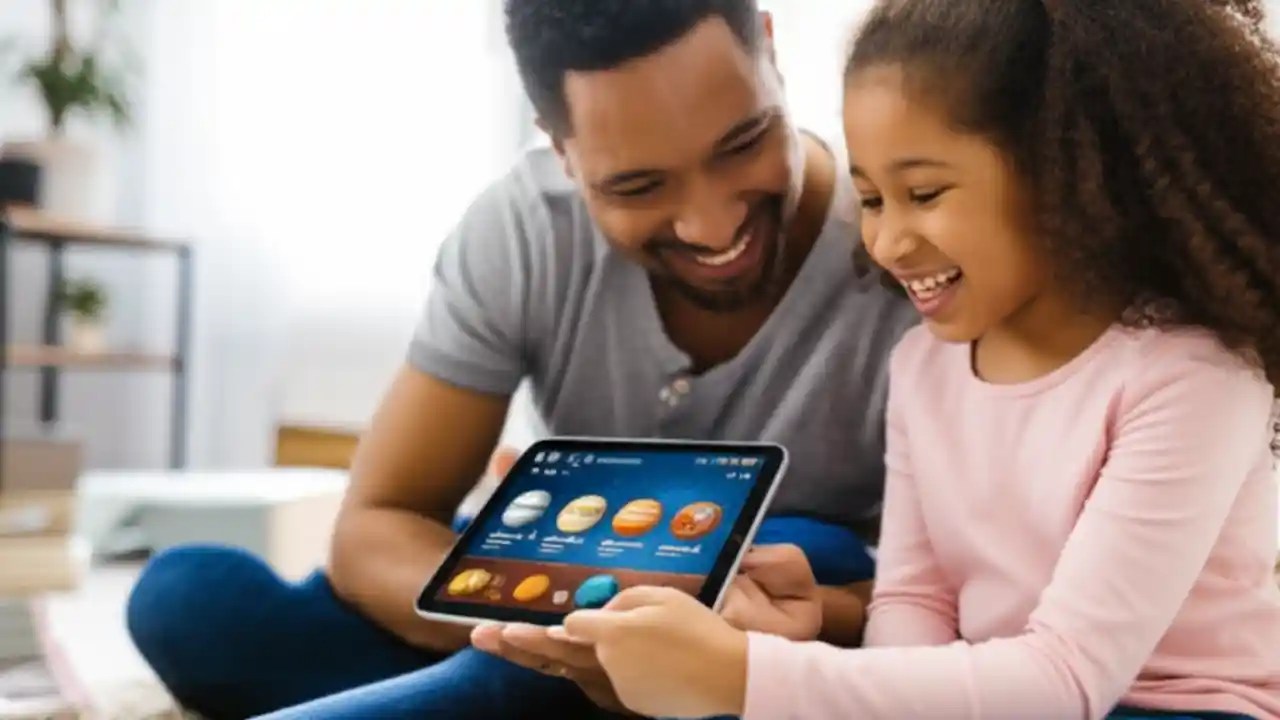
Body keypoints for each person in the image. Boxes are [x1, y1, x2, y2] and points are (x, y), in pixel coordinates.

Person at [123, 1, 918, 718]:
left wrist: (773, 620)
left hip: (750, 635)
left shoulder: (906, 250)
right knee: (188, 601)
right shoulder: (525, 231)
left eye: (743, 142)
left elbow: (959, 600)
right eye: (638, 186)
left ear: (771, 53)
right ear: (562, 152)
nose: (711, 226)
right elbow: (375, 529)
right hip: (543, 583)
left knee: (808, 552)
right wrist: (551, 631)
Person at [549, 0, 1280, 718]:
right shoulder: (922, 366)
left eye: (923, 193)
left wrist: (743, 679)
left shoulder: (1194, 379)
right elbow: (911, 603)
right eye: (870, 199)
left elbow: (1065, 678)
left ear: (1067, 172)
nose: (888, 243)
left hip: (1178, 706)